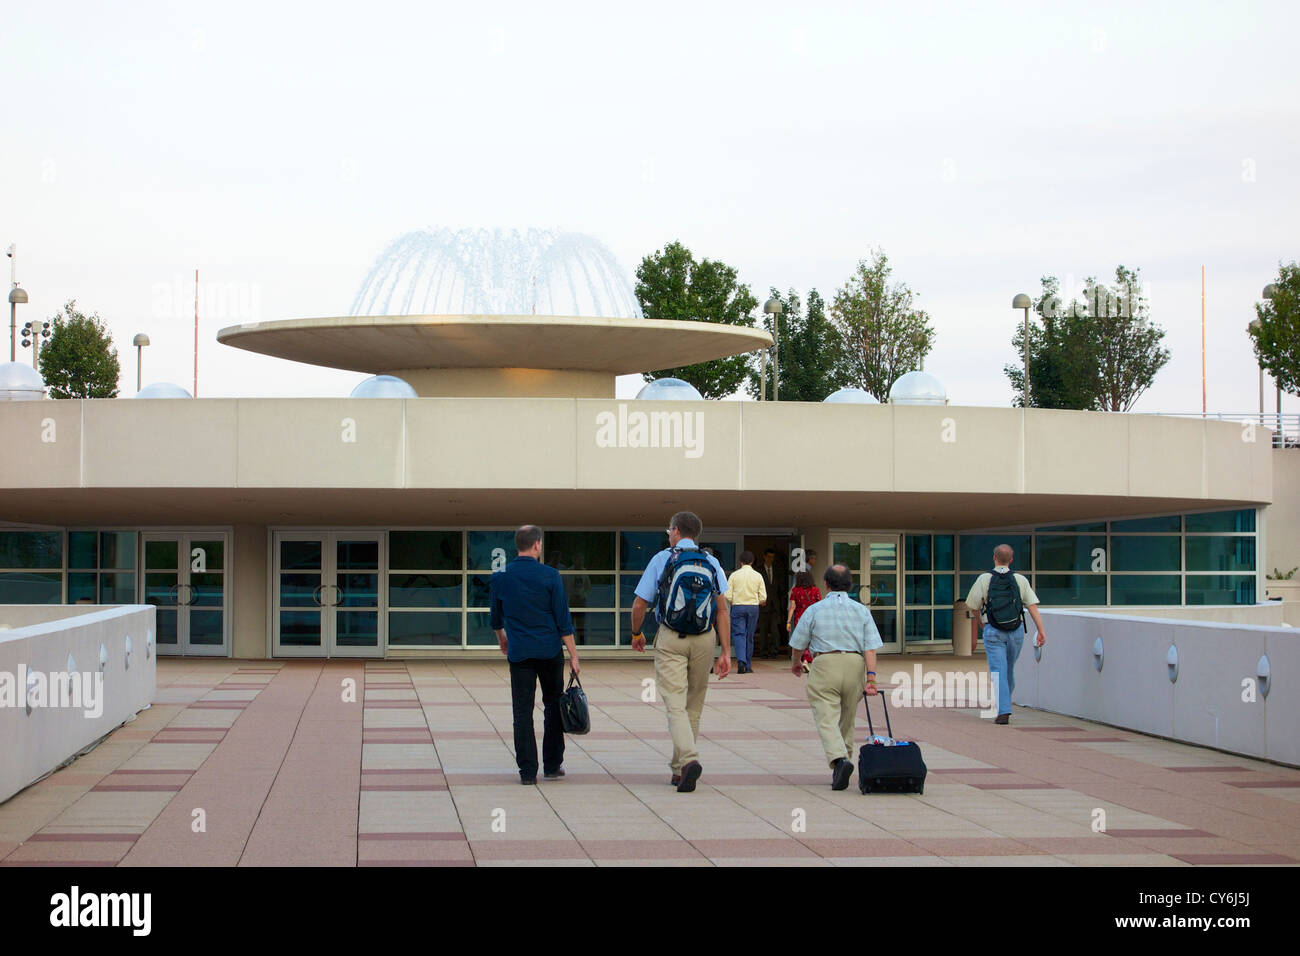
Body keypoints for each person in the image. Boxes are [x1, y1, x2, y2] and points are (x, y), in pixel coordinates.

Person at [629, 511, 731, 792]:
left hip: (671, 637)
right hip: (705, 638)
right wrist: (725, 651)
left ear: (675, 531)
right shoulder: (711, 562)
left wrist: (637, 633)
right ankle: (679, 770)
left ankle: (688, 759)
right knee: (693, 705)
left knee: (674, 702)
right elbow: (722, 610)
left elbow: (640, 603)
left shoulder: (663, 559)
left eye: (668, 530)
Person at [490, 525, 581, 784]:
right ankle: (552, 765)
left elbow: (496, 618)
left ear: (517, 545)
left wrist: (502, 639)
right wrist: (573, 655)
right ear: (537, 545)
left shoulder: (500, 577)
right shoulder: (551, 575)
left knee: (522, 712)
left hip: (519, 654)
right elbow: (563, 620)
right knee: (553, 706)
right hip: (550, 651)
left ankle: (527, 772)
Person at [789, 564, 882, 790]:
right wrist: (871, 679)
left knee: (826, 717)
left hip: (824, 663)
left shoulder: (815, 609)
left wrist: (796, 663)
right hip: (855, 664)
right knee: (847, 719)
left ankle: (839, 760)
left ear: (826, 584)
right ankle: (844, 763)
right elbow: (870, 648)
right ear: (850, 585)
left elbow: (798, 642)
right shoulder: (861, 611)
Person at [964, 544, 1047, 725]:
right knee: (1008, 669)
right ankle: (1005, 703)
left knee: (998, 671)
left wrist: (980, 623)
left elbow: (972, 605)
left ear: (994, 558)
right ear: (1011, 560)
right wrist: (1041, 630)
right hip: (1016, 631)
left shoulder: (984, 579)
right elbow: (1031, 606)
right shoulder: (1020, 579)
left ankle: (1003, 709)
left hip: (993, 630)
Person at [724, 550, 766, 674]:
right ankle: (748, 664)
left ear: (740, 562)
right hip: (753, 607)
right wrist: (756, 601)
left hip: (738, 606)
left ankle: (741, 661)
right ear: (752, 562)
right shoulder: (758, 576)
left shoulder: (734, 575)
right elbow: (763, 596)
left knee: (739, 634)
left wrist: (734, 601)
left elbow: (727, 594)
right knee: (750, 636)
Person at [786, 570, 822, 671]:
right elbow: (819, 605)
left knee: (802, 639)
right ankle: (807, 660)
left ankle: (803, 660)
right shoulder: (815, 590)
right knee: (811, 639)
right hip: (813, 616)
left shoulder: (795, 590)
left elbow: (792, 607)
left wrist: (788, 621)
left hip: (800, 617)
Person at [756, 548, 785, 658]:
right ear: (764, 557)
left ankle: (774, 651)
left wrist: (781, 603)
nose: (770, 559)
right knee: (763, 629)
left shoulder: (777, 570)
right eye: (768, 557)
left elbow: (780, 588)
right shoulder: (759, 570)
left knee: (774, 630)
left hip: (775, 605)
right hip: (763, 604)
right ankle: (763, 652)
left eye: (772, 557)